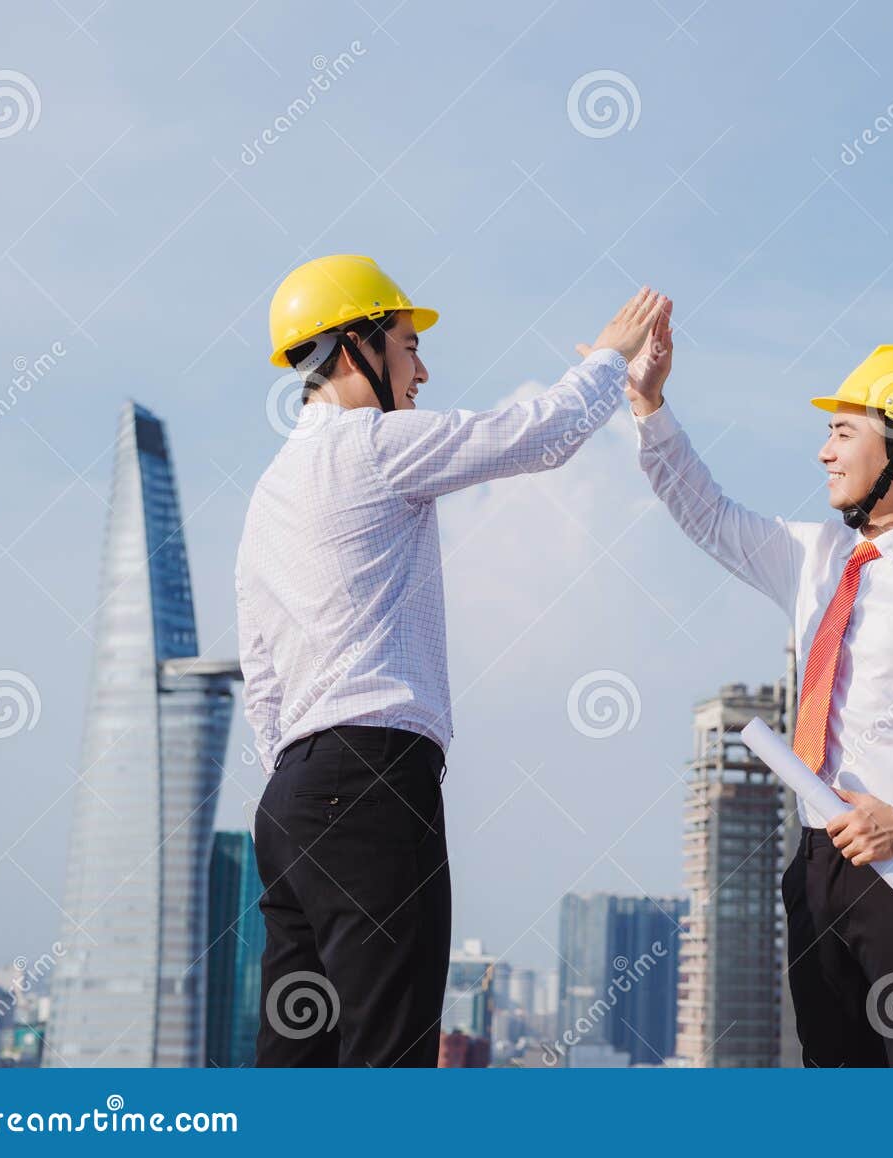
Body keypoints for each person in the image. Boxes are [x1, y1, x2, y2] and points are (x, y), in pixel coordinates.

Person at [236, 254, 665, 1066]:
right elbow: (537, 437)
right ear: (356, 344)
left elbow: (261, 673)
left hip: (288, 802)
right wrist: (611, 358)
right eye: (406, 343)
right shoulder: (371, 445)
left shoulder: (269, 491)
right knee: (389, 1057)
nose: (422, 368)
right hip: (370, 781)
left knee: (296, 1065)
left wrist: (305, 780)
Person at [626, 304, 893, 1066]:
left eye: (842, 432)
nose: (824, 452)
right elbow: (705, 513)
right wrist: (649, 406)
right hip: (816, 866)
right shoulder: (816, 557)